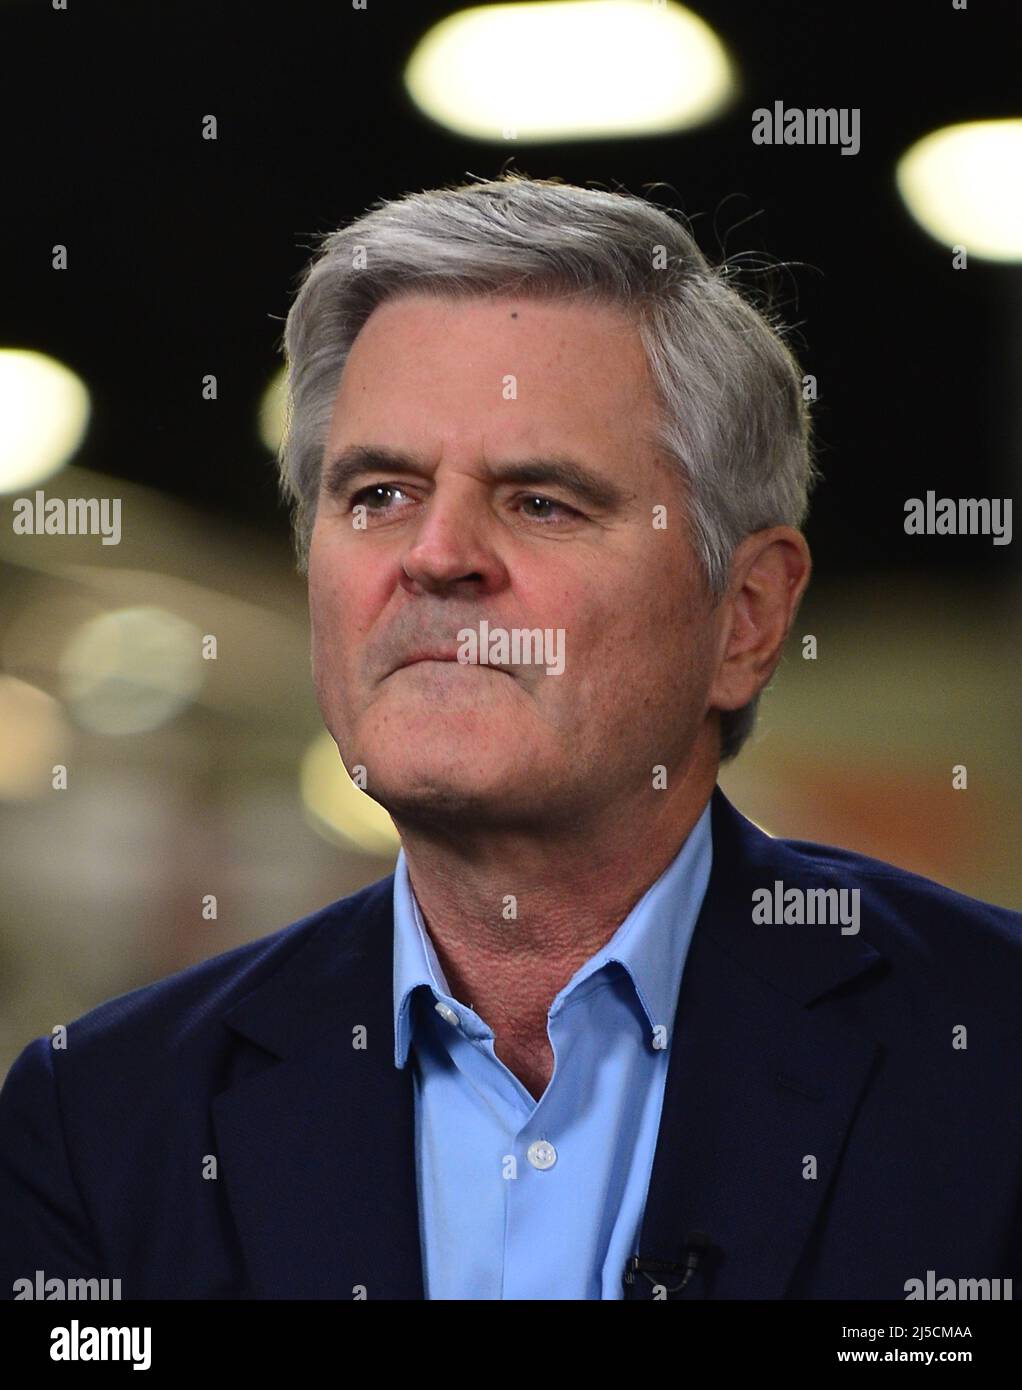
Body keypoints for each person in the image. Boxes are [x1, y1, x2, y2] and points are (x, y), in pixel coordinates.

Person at [2, 174, 1020, 1301]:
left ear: (746, 615)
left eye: (540, 500)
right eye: (379, 493)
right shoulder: (98, 1117)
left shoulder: (992, 1053)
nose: (435, 556)